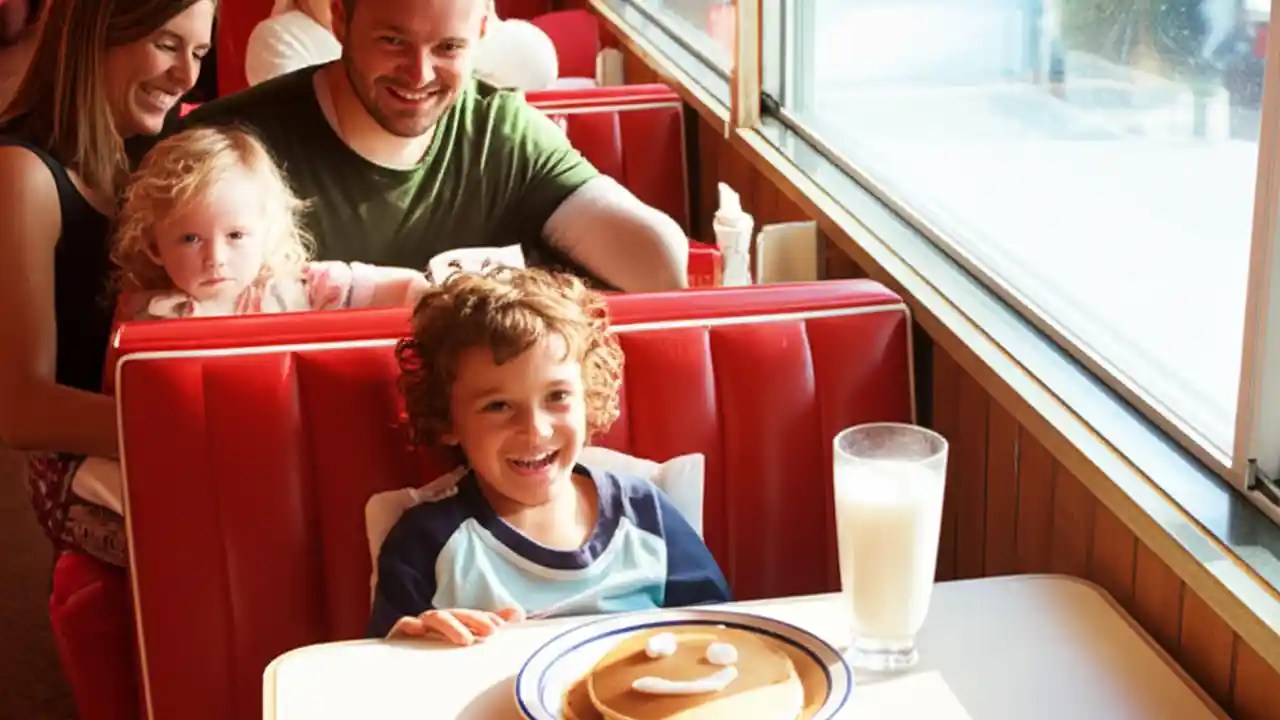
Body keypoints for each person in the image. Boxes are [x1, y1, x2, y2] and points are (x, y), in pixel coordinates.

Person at [185, 0, 688, 293]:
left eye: (448, 48)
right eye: (393, 41)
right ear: (341, 20)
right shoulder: (228, 146)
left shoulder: (504, 132)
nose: (419, 74)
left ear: (482, 35)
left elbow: (656, 259)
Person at [368, 268, 729, 644]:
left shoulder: (644, 513)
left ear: (587, 399)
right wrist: (413, 644)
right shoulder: (425, 543)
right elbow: (381, 679)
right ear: (447, 418)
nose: (535, 429)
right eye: (498, 406)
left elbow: (722, 634)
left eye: (557, 396)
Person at [0, 0, 215, 563]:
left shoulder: (143, 162)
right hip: (81, 468)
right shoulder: (22, 174)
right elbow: (22, 409)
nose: (186, 76)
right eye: (166, 45)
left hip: (148, 441)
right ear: (97, 34)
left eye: (199, 53)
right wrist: (205, 425)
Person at [113, 125, 429, 319]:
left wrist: (434, 295)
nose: (216, 259)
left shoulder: (298, 289)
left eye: (235, 235)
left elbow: (400, 288)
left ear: (266, 232)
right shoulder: (146, 313)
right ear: (155, 246)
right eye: (190, 239)